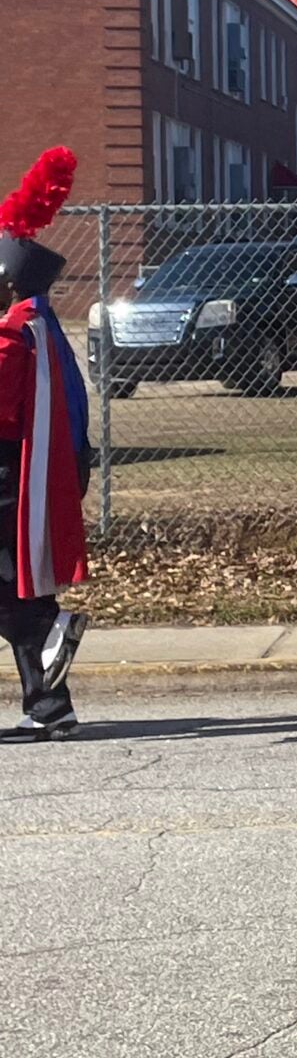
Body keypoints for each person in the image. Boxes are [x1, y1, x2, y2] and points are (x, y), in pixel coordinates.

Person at [0, 148, 92, 744]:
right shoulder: (36, 326)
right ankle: (50, 704)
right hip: (16, 480)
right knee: (17, 597)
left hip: (7, 478)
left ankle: (52, 664)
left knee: (17, 598)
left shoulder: (14, 339)